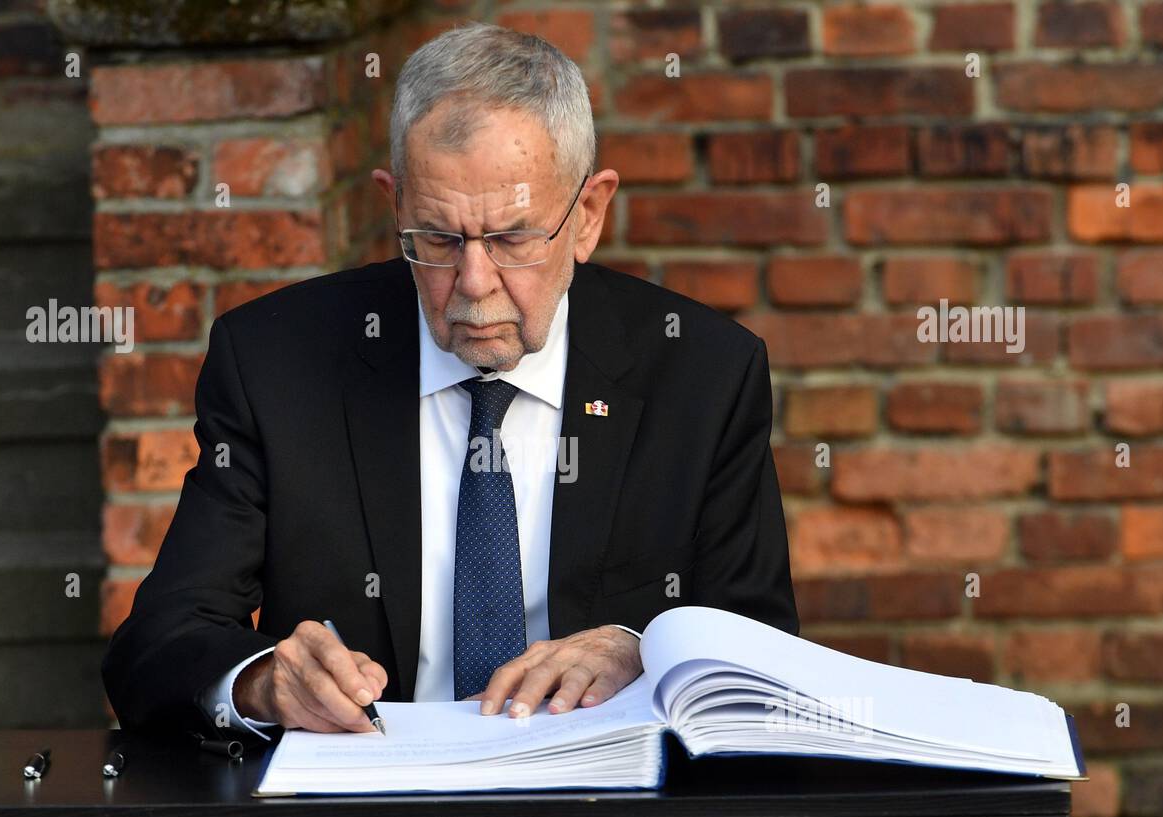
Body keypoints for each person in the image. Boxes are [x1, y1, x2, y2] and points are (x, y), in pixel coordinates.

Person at [101, 21, 798, 740]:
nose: (474, 284)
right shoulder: (275, 365)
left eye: (513, 239)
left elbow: (765, 655)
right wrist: (260, 681)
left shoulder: (702, 375)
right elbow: (157, 644)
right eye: (436, 239)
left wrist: (643, 653)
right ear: (394, 205)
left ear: (587, 216)